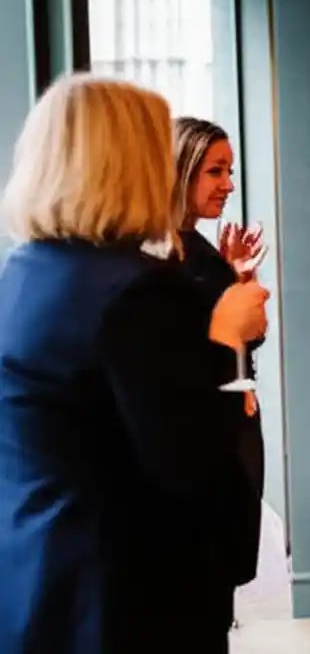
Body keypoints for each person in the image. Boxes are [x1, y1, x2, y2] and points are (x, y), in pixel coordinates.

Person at [0, 74, 268, 652]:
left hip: (38, 579)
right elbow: (187, 459)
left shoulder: (21, 274)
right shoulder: (135, 293)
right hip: (128, 593)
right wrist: (224, 338)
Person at [171, 117, 269, 614]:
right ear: (180, 171)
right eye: (215, 171)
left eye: (228, 170)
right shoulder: (164, 256)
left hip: (226, 439)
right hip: (203, 450)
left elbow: (241, 338)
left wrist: (235, 278)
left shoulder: (198, 248)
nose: (228, 184)